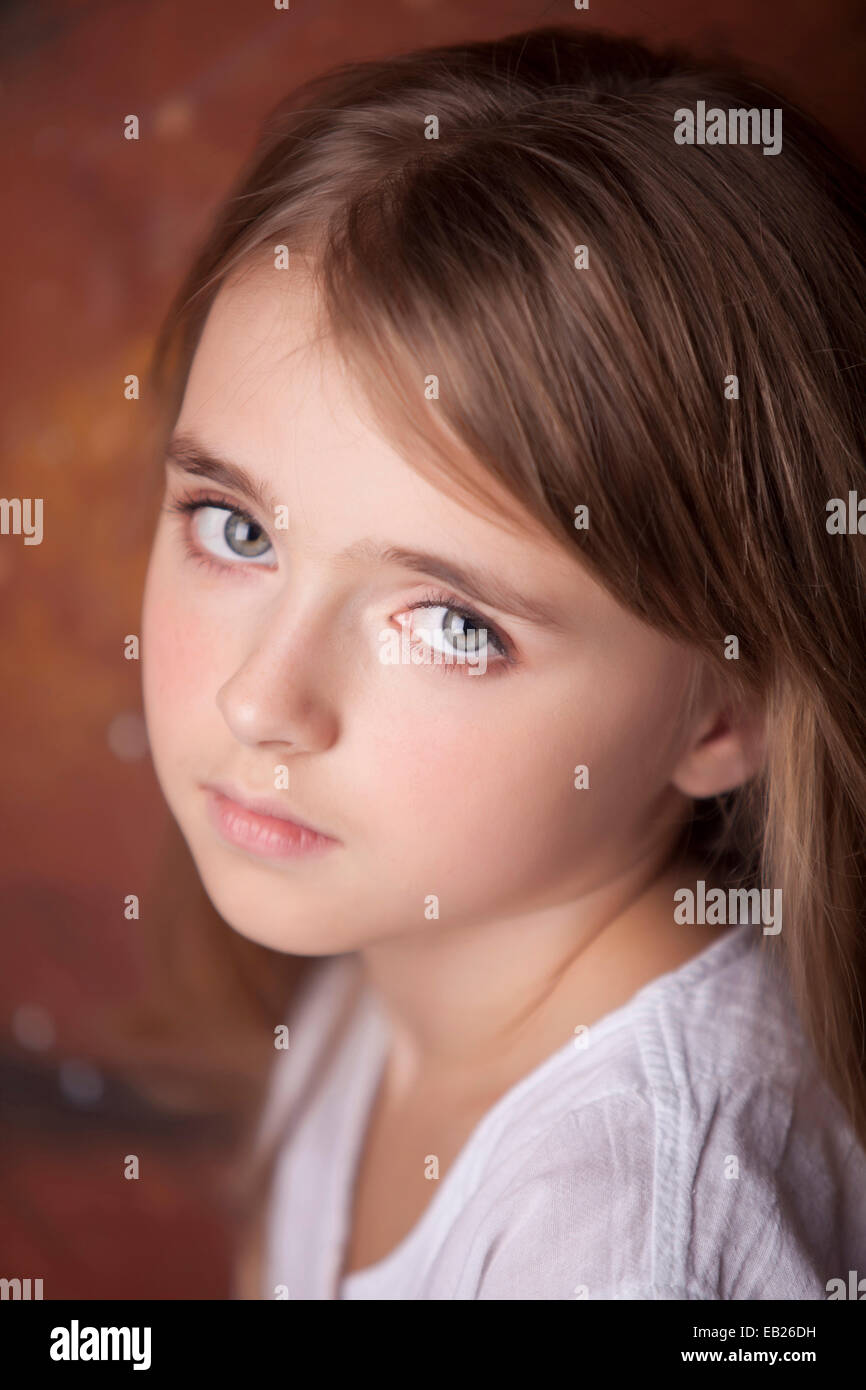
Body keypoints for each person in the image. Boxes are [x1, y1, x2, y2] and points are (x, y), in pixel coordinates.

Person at [140, 26, 866, 1298]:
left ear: (726, 704)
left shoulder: (631, 1240)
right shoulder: (398, 942)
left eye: (451, 623)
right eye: (236, 529)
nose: (261, 699)